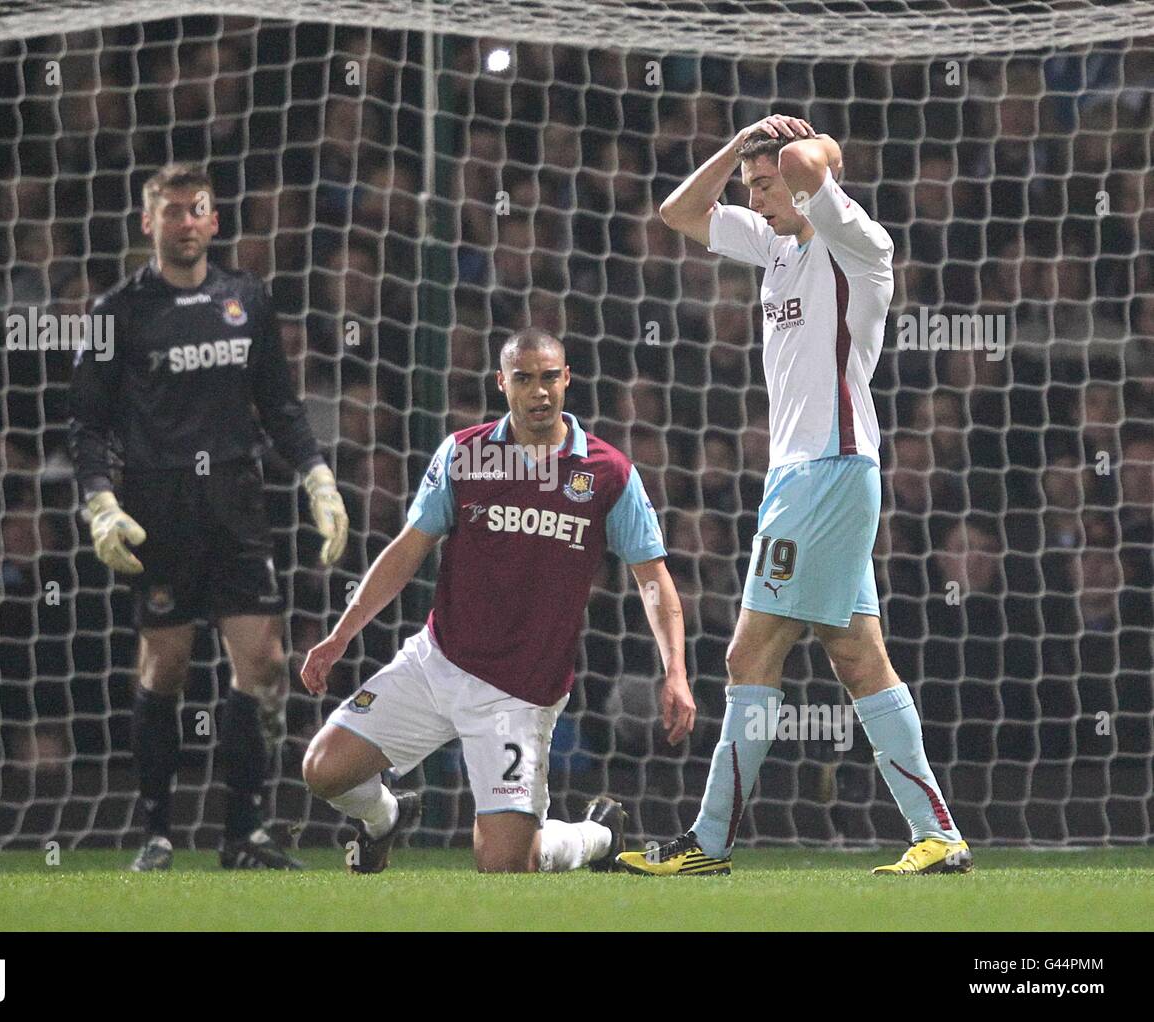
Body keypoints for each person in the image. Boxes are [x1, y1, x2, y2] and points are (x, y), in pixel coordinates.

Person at [619, 115, 970, 876]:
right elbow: (677, 212)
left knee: (749, 654)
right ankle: (938, 834)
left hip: (827, 470)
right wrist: (740, 143)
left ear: (806, 182)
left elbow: (815, 164)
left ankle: (708, 844)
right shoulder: (773, 244)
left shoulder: (854, 241)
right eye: (750, 185)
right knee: (857, 658)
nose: (756, 195)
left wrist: (792, 147)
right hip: (808, 475)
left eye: (766, 182)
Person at [299, 328, 696, 873]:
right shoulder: (463, 455)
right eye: (525, 379)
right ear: (502, 383)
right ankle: (384, 818)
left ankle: (595, 835)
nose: (540, 392)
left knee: (508, 866)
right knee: (323, 769)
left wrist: (674, 669)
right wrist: (340, 635)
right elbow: (407, 550)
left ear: (567, 380)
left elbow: (653, 579)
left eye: (550, 378)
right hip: (437, 662)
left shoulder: (608, 473)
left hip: (519, 694)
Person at [68, 162, 349, 871]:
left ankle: (244, 834)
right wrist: (100, 502)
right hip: (159, 505)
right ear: (148, 222)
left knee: (263, 662)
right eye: (172, 211)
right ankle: (156, 832)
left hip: (235, 499)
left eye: (197, 210)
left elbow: (280, 407)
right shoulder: (116, 311)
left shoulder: (246, 300)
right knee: (165, 667)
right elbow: (86, 424)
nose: (186, 222)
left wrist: (318, 478)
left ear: (214, 221)